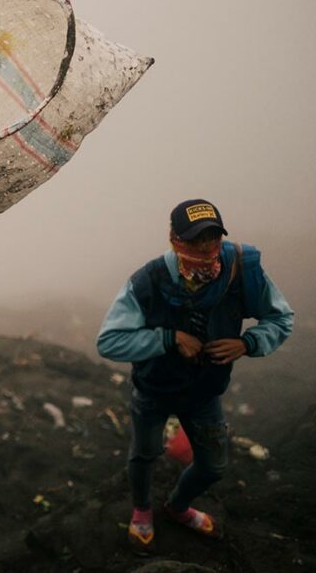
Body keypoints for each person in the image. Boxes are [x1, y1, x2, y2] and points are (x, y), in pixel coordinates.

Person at [97, 199, 293, 550]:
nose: (205, 249)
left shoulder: (241, 270)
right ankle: (142, 510)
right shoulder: (150, 280)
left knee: (214, 465)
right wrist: (168, 339)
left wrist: (247, 343)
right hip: (153, 390)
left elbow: (280, 318)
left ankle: (177, 506)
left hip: (205, 391)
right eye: (195, 240)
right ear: (174, 239)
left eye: (212, 238)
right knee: (145, 454)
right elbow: (110, 341)